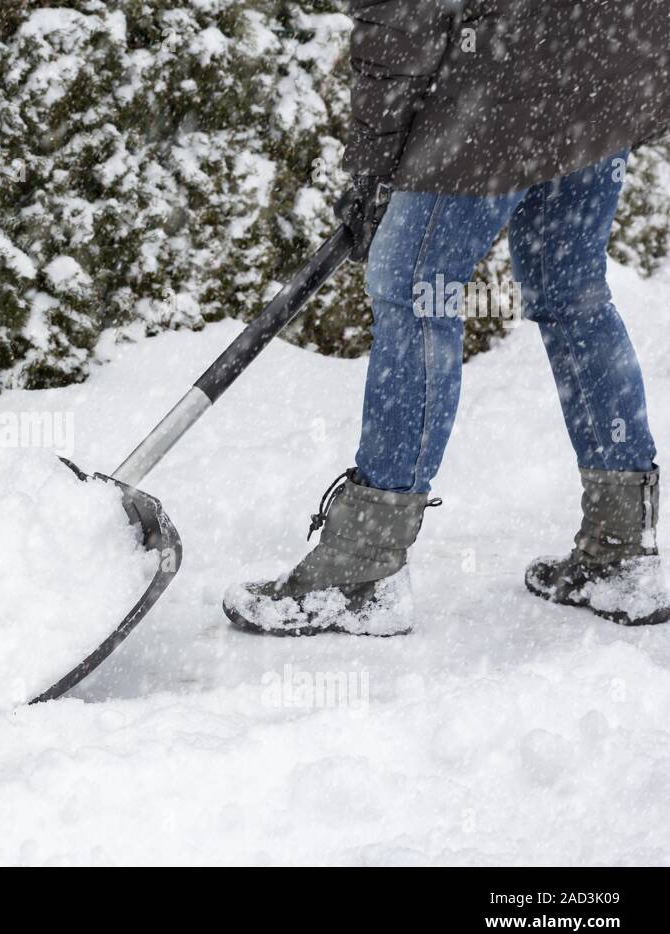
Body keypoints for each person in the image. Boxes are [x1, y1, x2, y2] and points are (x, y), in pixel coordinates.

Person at [224, 0, 670, 635]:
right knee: (574, 292)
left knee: (414, 291)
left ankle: (362, 568)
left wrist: (375, 171)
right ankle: (623, 550)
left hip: (508, 70)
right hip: (609, 53)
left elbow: (401, 23)